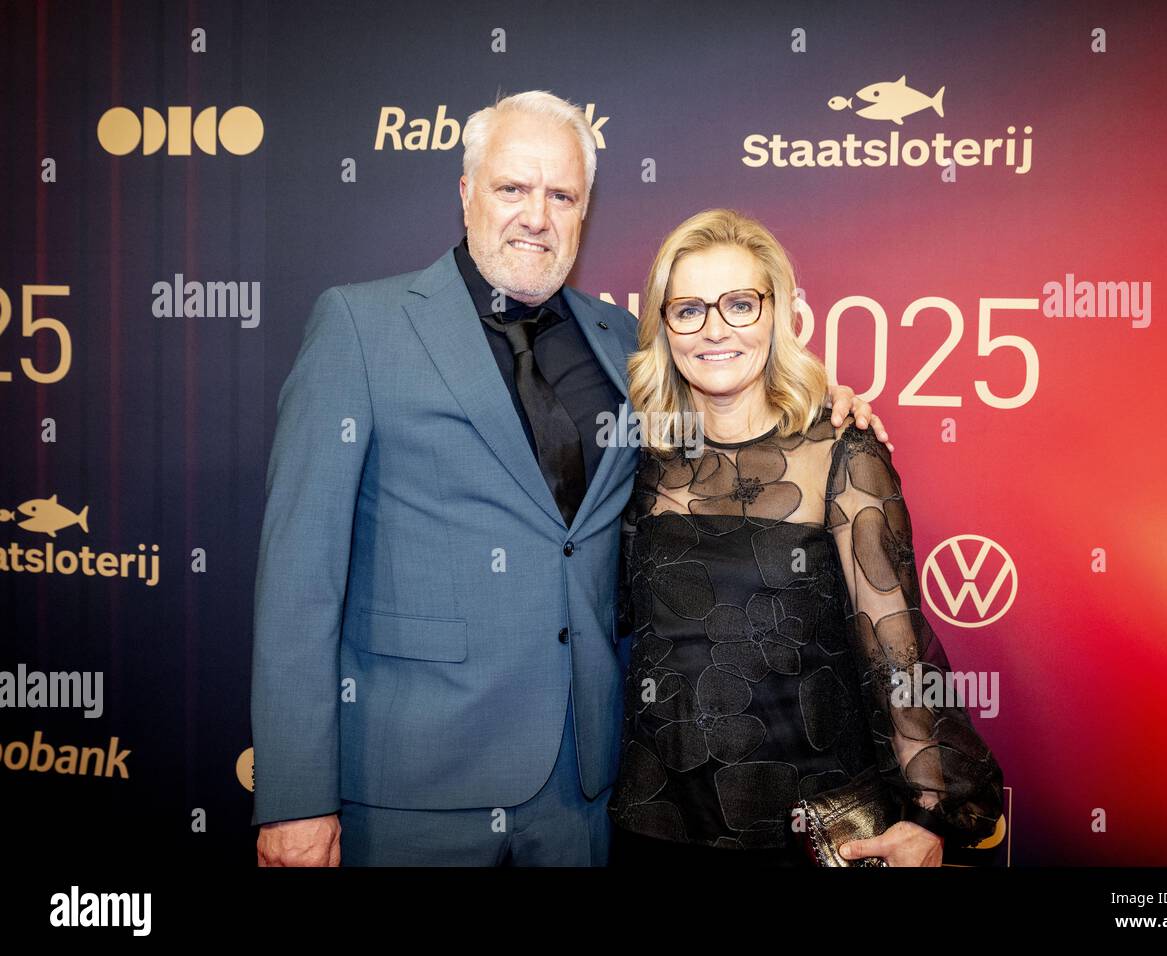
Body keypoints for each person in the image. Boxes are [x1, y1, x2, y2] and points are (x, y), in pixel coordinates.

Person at [250, 91, 884, 866]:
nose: (536, 216)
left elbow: (730, 424)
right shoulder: (360, 327)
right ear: (466, 191)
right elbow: (298, 578)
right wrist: (294, 795)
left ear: (584, 210)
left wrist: (819, 405)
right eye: (512, 188)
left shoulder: (624, 344)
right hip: (411, 787)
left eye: (562, 195)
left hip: (585, 794)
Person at [607, 209, 1004, 867]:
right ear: (664, 326)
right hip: (653, 825)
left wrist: (935, 812)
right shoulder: (638, 459)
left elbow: (897, 649)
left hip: (809, 833)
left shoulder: (842, 456)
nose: (715, 330)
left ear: (777, 313)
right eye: (689, 309)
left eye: (739, 303)